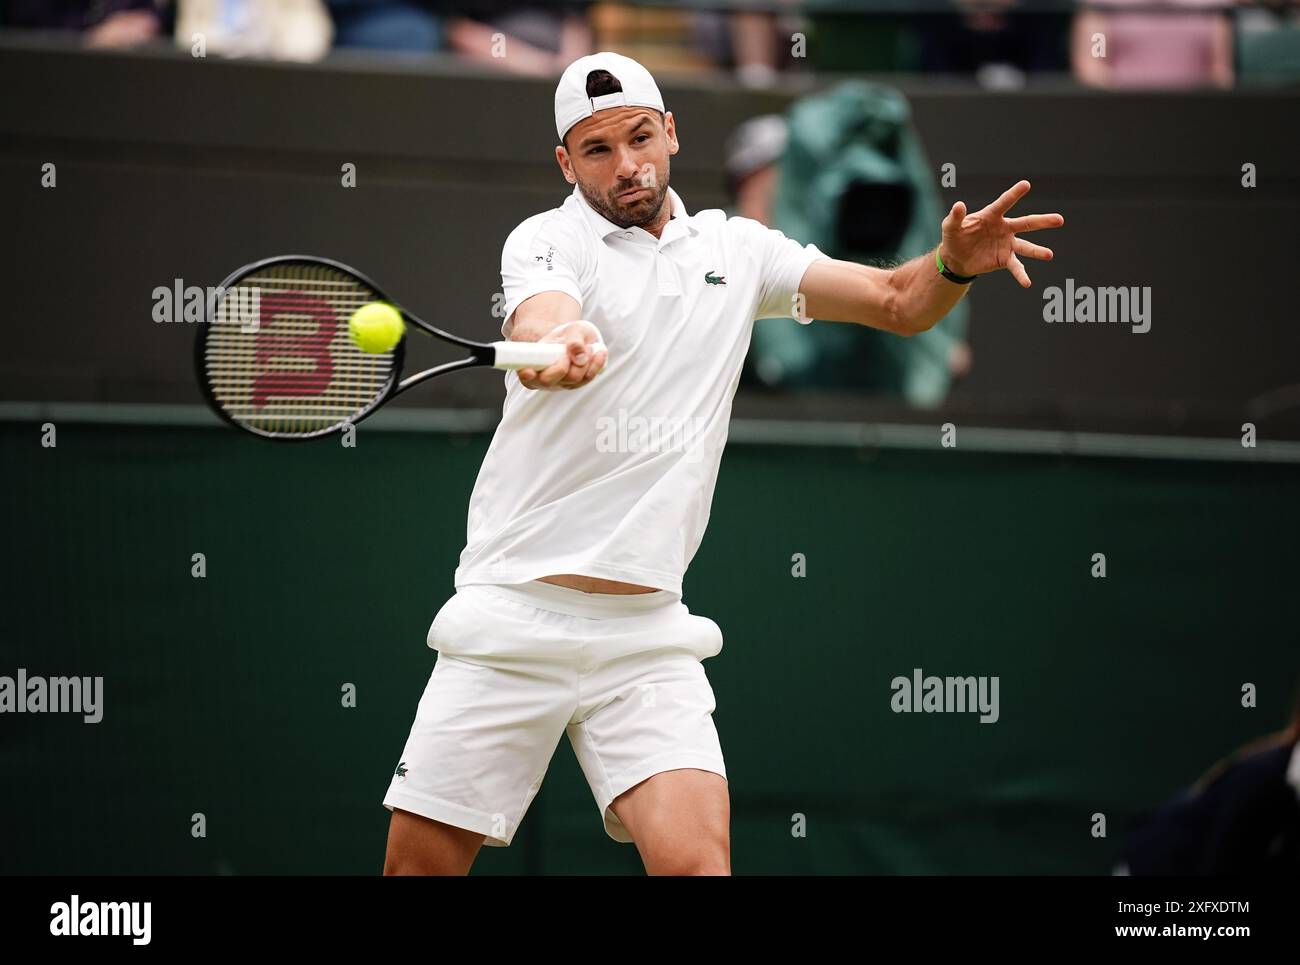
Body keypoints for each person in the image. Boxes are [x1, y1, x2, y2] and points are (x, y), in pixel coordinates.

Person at [381, 51, 1063, 876]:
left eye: (639, 137)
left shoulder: (740, 252)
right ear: (567, 163)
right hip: (513, 612)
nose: (627, 164)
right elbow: (546, 316)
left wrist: (953, 263)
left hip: (645, 636)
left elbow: (898, 302)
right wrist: (558, 344)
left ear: (670, 130)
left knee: (699, 869)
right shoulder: (547, 240)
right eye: (598, 150)